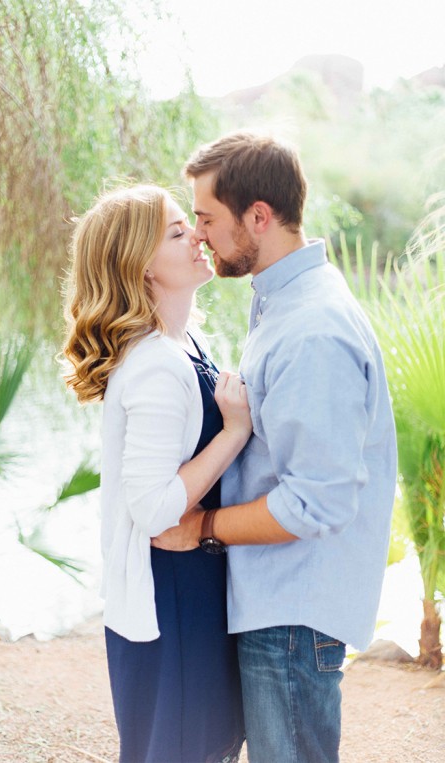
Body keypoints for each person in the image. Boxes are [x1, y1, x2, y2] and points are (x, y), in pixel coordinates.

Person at [154, 132, 397, 762]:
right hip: (277, 602)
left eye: (206, 218)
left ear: (258, 216)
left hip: (293, 612)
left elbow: (314, 505)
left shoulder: (312, 329)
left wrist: (200, 525)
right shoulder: (283, 304)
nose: (200, 235)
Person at [63, 184, 251, 762]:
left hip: (193, 591)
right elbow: (152, 507)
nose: (197, 235)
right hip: (170, 605)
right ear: (138, 266)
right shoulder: (155, 366)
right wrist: (235, 433)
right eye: (176, 232)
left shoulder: (185, 343)